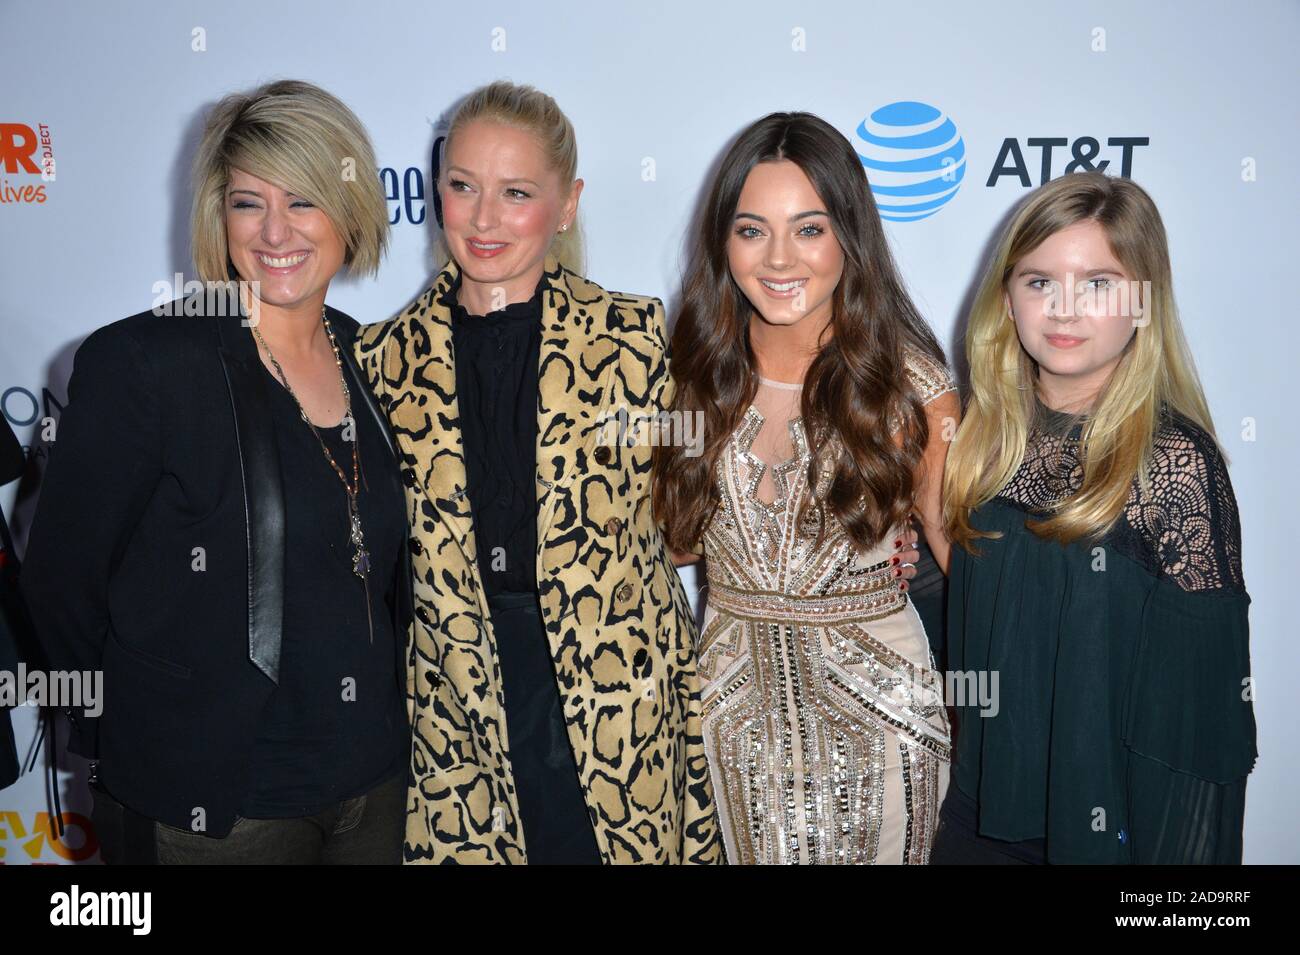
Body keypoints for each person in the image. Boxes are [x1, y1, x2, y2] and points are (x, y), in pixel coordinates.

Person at [21, 79, 411, 864]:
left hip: (372, 784)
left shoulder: (372, 353)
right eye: (247, 203)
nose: (275, 230)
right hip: (214, 808)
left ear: (350, 209)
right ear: (217, 215)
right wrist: (144, 733)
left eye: (302, 199)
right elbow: (61, 584)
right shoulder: (147, 363)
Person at [354, 80, 722, 864]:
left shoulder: (634, 340)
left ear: (567, 204)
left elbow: (694, 516)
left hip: (620, 705)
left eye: (516, 193)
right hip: (456, 709)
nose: (484, 219)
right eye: (463, 186)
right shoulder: (380, 360)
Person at [652, 111, 957, 864]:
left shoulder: (913, 390)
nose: (780, 258)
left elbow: (969, 562)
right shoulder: (689, 378)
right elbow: (672, 543)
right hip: (729, 722)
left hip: (885, 723)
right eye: (752, 230)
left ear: (850, 236)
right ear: (723, 242)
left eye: (809, 229)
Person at [932, 170, 1257, 864]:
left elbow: (1201, 727)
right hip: (977, 821)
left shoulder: (1173, 464)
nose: (1064, 309)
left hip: (1110, 840)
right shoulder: (983, 439)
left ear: (1144, 301)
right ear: (1007, 300)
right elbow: (978, 624)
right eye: (1039, 281)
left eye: (1098, 283)